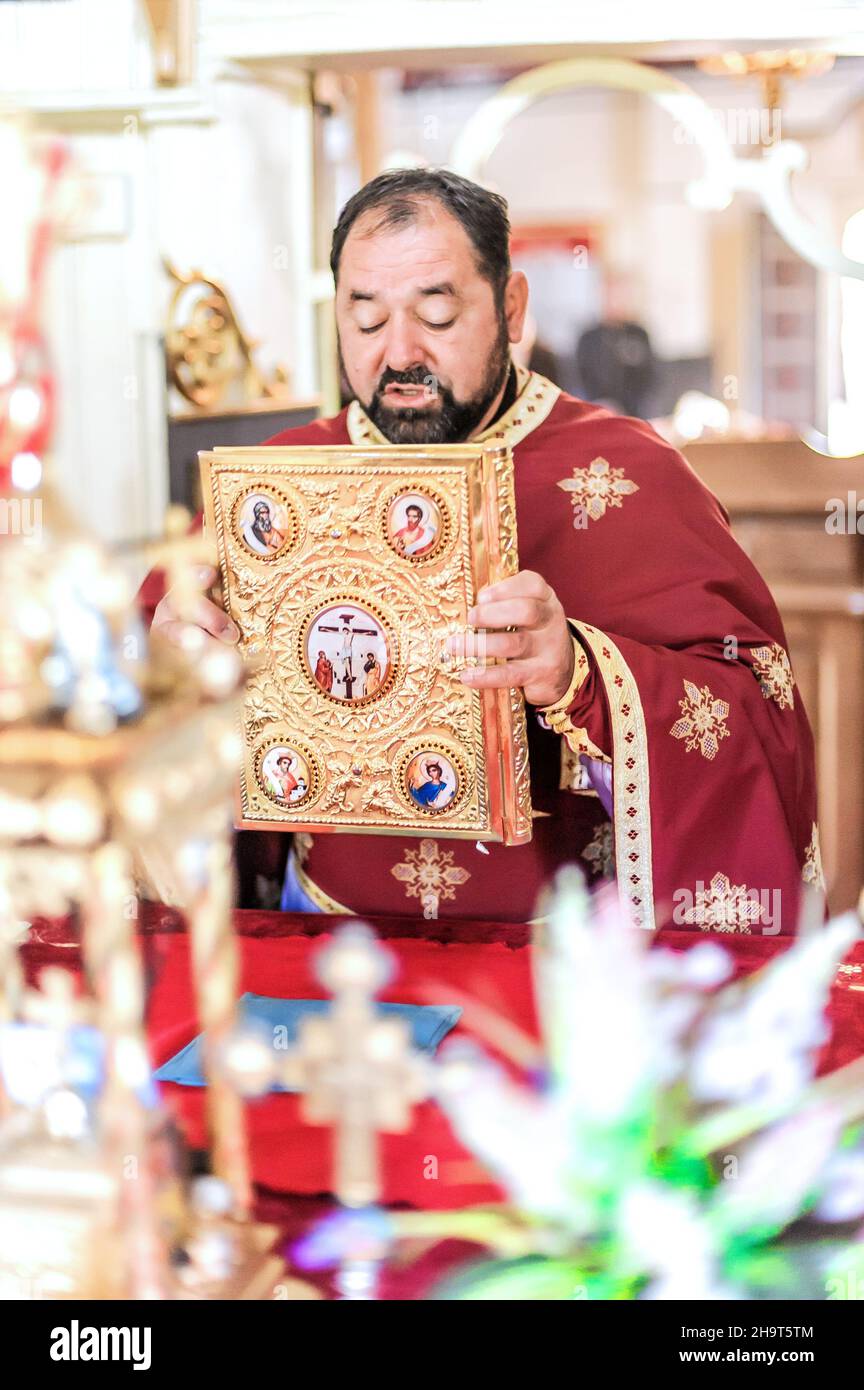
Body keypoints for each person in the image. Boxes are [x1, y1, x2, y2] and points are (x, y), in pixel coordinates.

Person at [144, 168, 820, 933]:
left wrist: (579, 672)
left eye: (435, 312)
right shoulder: (271, 486)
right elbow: (120, 703)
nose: (399, 353)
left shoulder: (630, 475)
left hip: (561, 954)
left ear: (511, 307)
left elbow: (751, 713)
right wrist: (172, 669)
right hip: (323, 940)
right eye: (365, 321)